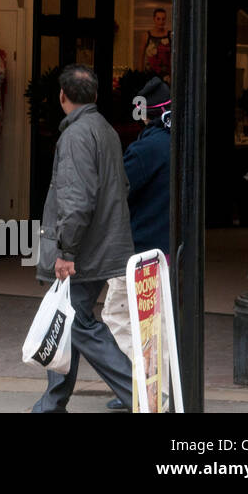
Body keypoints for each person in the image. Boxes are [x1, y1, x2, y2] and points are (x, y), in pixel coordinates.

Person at [32, 64, 136, 413]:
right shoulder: (104, 129)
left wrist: (66, 251)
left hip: (85, 251)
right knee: (69, 320)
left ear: (62, 97)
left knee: (77, 322)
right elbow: (119, 187)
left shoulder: (76, 136)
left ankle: (138, 393)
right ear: (94, 95)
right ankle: (53, 402)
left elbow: (76, 202)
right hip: (104, 244)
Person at [101, 76, 172, 410]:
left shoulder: (147, 147)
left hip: (138, 248)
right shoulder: (177, 142)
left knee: (118, 315)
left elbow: (119, 189)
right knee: (155, 322)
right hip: (165, 249)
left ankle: (142, 388)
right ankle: (159, 390)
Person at [138, 7, 172, 82]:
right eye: (158, 19)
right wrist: (140, 76)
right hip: (150, 75)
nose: (161, 21)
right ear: (154, 19)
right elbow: (141, 57)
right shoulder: (147, 35)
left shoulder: (169, 36)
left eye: (163, 19)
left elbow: (173, 57)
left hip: (166, 76)